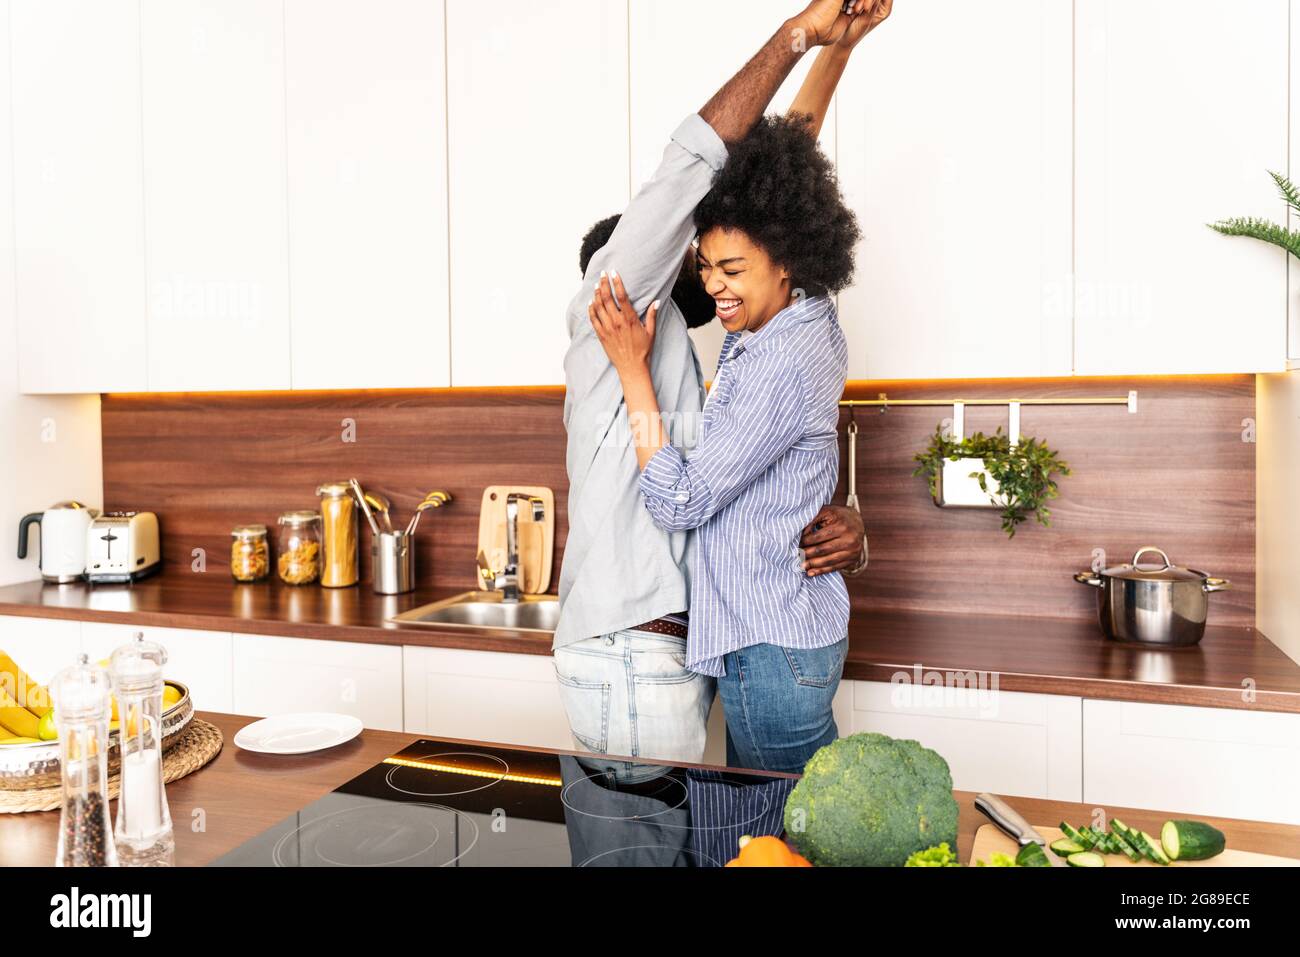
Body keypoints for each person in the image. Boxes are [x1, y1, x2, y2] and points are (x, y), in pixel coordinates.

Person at [556, 0, 882, 782]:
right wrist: (801, 36)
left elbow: (764, 203)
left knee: (742, 842)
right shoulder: (617, 310)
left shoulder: (748, 335)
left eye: (722, 264)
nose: (708, 270)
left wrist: (837, 54)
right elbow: (698, 173)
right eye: (697, 258)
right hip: (637, 651)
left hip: (699, 643)